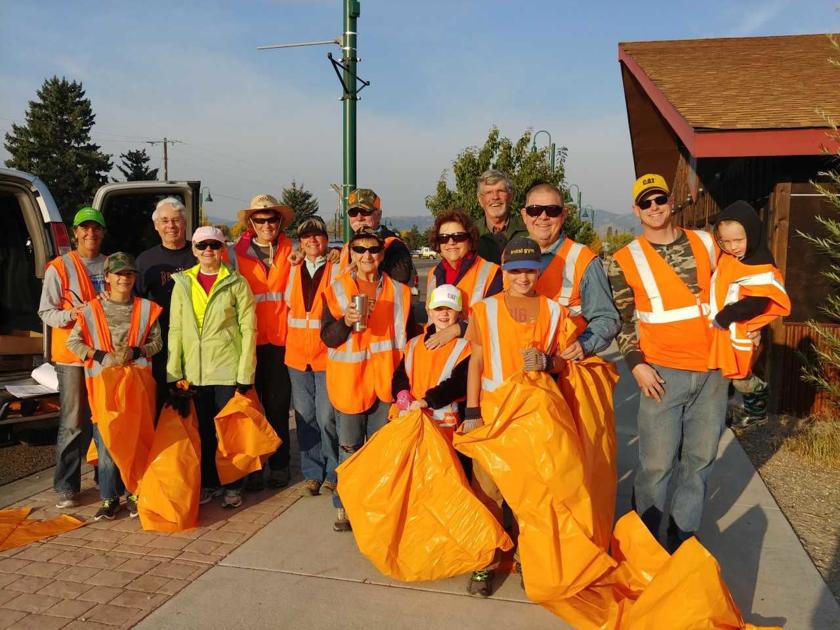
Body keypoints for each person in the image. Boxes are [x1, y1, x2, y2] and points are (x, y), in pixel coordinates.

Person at [608, 174, 727, 553]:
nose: (655, 207)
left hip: (712, 371)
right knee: (657, 465)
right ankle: (643, 541)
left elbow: (735, 290)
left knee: (700, 460)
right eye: (646, 202)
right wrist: (636, 364)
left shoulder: (706, 243)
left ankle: (682, 538)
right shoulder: (624, 260)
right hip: (661, 372)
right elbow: (623, 320)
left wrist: (750, 331)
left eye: (660, 199)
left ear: (671, 202)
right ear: (636, 210)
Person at [462, 236, 568, 597]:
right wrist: (472, 411)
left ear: (539, 272)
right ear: (505, 271)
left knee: (532, 491)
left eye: (530, 271)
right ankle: (484, 561)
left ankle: (527, 558)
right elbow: (475, 362)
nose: (523, 278)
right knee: (488, 491)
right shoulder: (485, 309)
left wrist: (548, 363)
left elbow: (566, 361)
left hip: (534, 415)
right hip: (492, 412)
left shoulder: (554, 312)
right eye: (516, 270)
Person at [321, 227, 414, 532]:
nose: (366, 256)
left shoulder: (399, 291)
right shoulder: (336, 289)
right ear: (352, 254)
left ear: (382, 254)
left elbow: (408, 338)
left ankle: (373, 505)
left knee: (379, 450)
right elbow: (329, 338)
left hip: (385, 382)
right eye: (359, 250)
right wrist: (346, 321)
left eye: (372, 250)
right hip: (349, 381)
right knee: (348, 448)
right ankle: (344, 507)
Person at [67, 252, 162, 520]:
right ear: (107, 277)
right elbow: (73, 343)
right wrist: (100, 356)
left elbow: (157, 343)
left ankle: (136, 492)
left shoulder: (146, 308)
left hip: (137, 385)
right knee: (107, 441)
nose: (124, 278)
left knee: (139, 438)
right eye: (118, 274)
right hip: (104, 386)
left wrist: (135, 351)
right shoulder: (90, 310)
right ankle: (109, 498)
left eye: (129, 273)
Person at [167, 225, 257, 509]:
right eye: (202, 245)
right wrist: (174, 372)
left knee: (228, 432)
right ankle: (209, 482)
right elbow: (175, 329)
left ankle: (232, 484)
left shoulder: (237, 283)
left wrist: (245, 373)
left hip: (227, 369)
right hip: (195, 372)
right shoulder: (182, 283)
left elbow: (249, 329)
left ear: (223, 250)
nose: (208, 251)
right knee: (202, 431)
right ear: (193, 250)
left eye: (214, 245)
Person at [38, 206, 108, 509]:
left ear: (102, 233)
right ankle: (67, 486)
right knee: (72, 422)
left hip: (104, 357)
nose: (90, 233)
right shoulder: (60, 267)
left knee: (103, 421)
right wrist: (74, 315)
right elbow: (46, 311)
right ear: (76, 233)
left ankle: (105, 481)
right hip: (72, 358)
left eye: (95, 228)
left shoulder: (111, 265)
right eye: (84, 228)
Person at [227, 194, 294, 489]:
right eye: (260, 219)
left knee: (278, 407)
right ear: (251, 223)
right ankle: (254, 467)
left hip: (282, 341)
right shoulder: (234, 254)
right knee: (251, 408)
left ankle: (279, 465)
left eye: (271, 219)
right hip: (248, 343)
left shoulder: (293, 249)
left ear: (279, 221)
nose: (267, 224)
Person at [709, 200, 790, 426]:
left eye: (738, 240)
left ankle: (758, 406)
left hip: (738, 328)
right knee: (723, 373)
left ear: (752, 234)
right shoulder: (730, 258)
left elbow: (759, 301)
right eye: (725, 241)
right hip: (723, 329)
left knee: (741, 376)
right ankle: (723, 411)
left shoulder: (760, 264)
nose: (732, 246)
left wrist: (727, 315)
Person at [522, 182, 620, 361]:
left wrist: (584, 344)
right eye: (535, 210)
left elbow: (606, 318)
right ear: (524, 215)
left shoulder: (583, 259)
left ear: (564, 215)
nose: (543, 217)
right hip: (521, 368)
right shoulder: (509, 255)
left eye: (552, 210)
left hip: (566, 371)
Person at [283, 216, 339, 497]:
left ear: (326, 240)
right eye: (306, 237)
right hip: (296, 356)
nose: (312, 241)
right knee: (305, 417)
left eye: (317, 236)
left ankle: (333, 471)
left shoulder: (336, 267)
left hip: (326, 355)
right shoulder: (291, 268)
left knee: (327, 415)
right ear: (300, 242)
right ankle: (312, 472)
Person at [135, 197, 196, 409]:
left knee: (198, 403)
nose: (171, 226)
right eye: (165, 221)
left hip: (196, 343)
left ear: (185, 222)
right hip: (160, 345)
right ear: (156, 225)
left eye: (176, 220)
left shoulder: (199, 254)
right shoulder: (145, 261)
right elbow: (135, 303)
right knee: (163, 403)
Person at [391, 284, 471, 443]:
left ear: (460, 313)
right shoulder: (414, 344)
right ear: (429, 311)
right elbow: (400, 375)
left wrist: (427, 401)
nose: (444, 313)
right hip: (410, 419)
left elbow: (458, 384)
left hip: (443, 426)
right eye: (438, 308)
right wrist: (401, 393)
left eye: (450, 308)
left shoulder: (465, 347)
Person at [425, 209, 502, 321]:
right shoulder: (433, 275)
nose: (451, 242)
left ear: (470, 241)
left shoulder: (492, 273)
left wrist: (459, 328)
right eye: (444, 238)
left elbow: (494, 320)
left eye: (458, 236)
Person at [335, 188, 415, 284]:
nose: (359, 218)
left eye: (365, 212)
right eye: (353, 212)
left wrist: (366, 264)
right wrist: (336, 250)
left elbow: (401, 277)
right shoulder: (347, 246)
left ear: (379, 215)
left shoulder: (394, 244)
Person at [475, 169, 528, 264]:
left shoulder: (528, 229)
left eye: (500, 191)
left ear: (510, 196)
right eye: (488, 192)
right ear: (480, 200)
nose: (495, 197)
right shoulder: (471, 234)